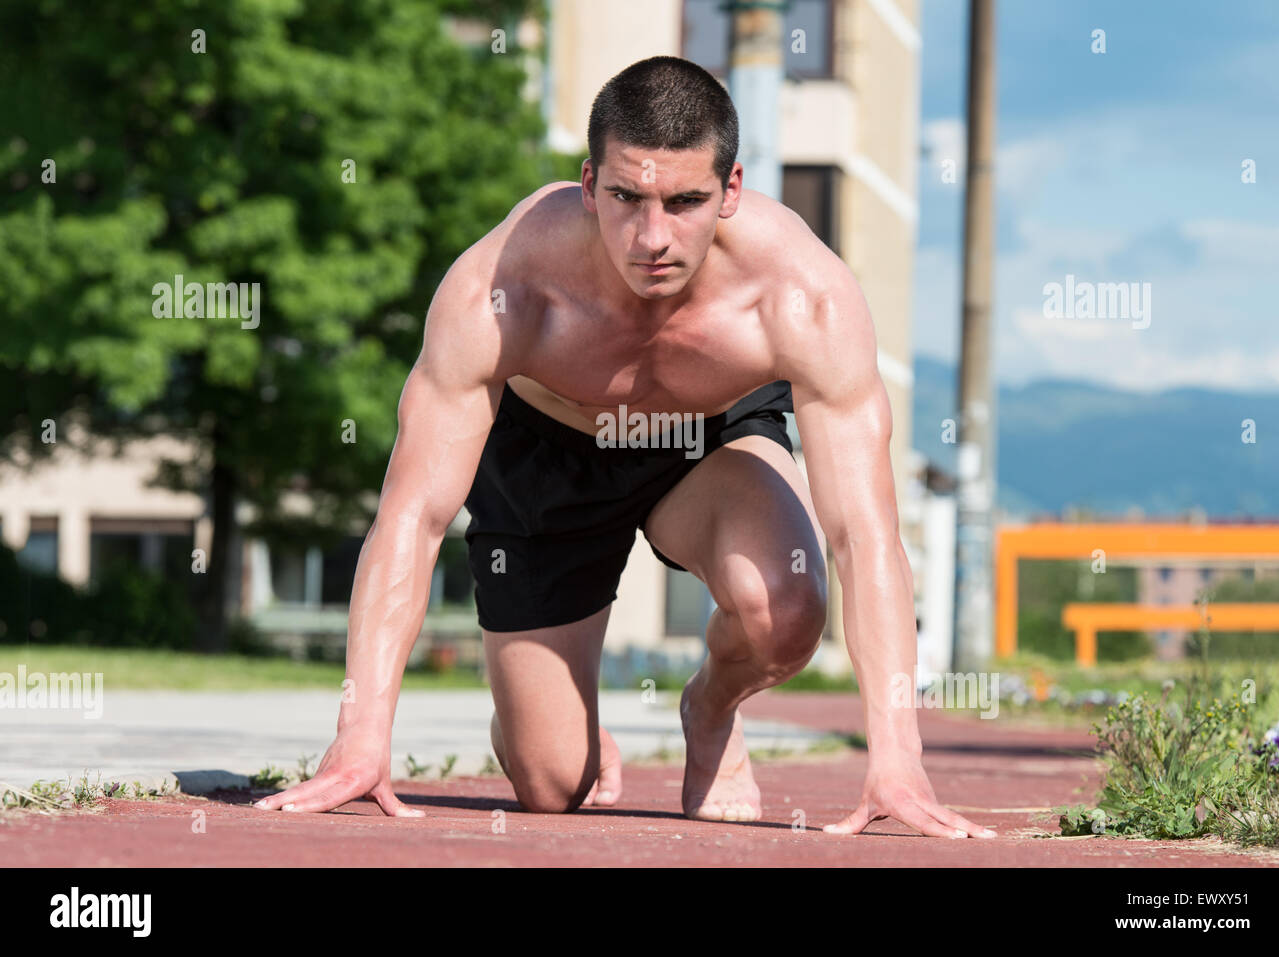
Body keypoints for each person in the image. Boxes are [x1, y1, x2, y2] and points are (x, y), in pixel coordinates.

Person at [256, 55, 996, 839]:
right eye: (626, 198)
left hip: (705, 444)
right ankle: (560, 713)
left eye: (685, 202)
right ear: (587, 185)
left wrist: (897, 756)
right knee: (549, 783)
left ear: (732, 191)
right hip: (548, 457)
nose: (653, 237)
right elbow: (410, 515)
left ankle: (709, 705)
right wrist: (361, 736)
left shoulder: (801, 296)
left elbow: (865, 533)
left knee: (787, 606)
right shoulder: (502, 289)